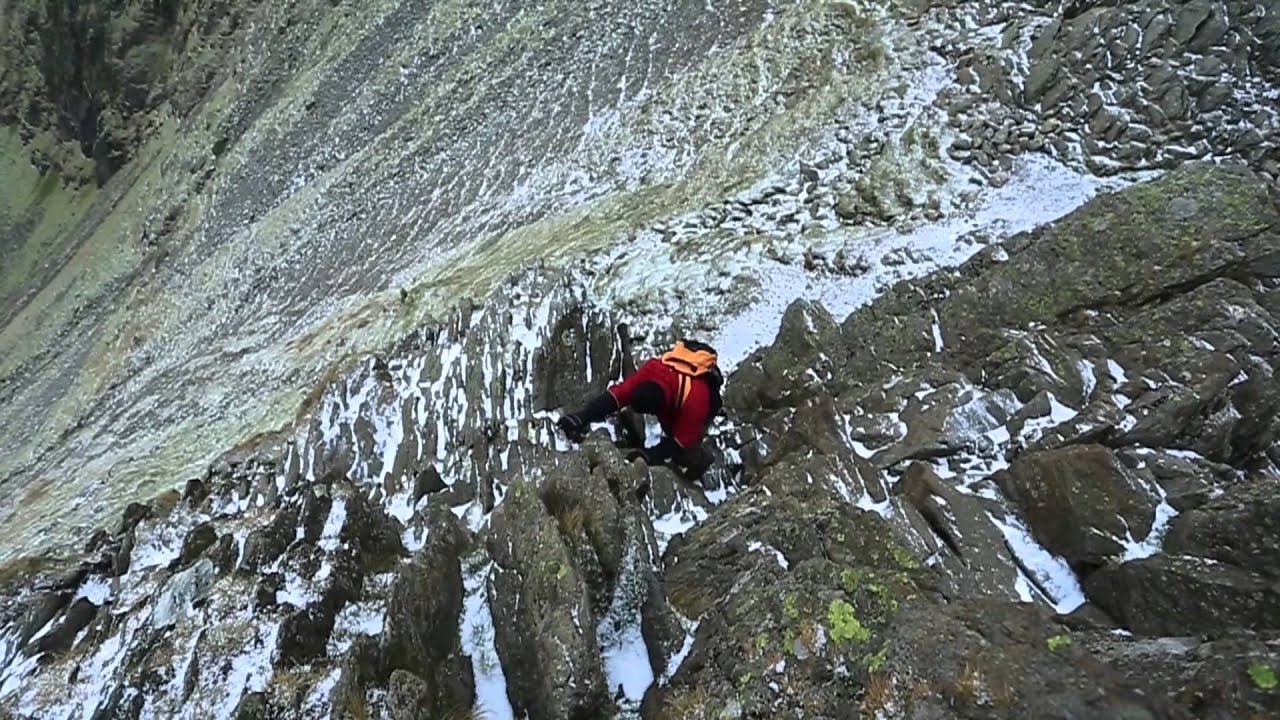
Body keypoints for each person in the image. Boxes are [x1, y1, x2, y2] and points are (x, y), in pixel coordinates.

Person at [557, 339, 723, 480]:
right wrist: (583, 416)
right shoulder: (650, 370)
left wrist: (651, 454)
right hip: (672, 400)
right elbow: (615, 396)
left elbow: (682, 440)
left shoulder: (697, 399)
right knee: (669, 432)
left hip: (699, 407)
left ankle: (702, 461)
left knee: (684, 451)